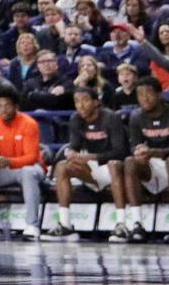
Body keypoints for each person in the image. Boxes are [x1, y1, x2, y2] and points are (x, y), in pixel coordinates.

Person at [44, 87, 128, 242]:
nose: (80, 105)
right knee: (62, 166)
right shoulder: (76, 119)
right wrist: (70, 153)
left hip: (115, 168)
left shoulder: (111, 118)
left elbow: (120, 152)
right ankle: (65, 224)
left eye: (85, 100)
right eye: (76, 101)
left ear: (96, 102)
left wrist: (90, 157)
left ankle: (122, 224)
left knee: (114, 164)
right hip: (93, 169)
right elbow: (74, 146)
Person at [122, 76, 169, 243]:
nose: (144, 98)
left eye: (148, 93)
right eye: (139, 95)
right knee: (130, 162)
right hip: (151, 166)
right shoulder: (136, 116)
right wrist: (139, 151)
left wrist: (154, 152)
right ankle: (137, 224)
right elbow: (134, 146)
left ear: (159, 94)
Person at [0, 86, 44, 241]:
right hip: (6, 169)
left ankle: (32, 225)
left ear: (15, 106)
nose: (3, 110)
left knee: (27, 171)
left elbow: (32, 157)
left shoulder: (29, 123)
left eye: (7, 105)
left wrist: (10, 161)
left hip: (31, 168)